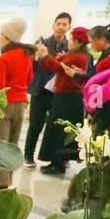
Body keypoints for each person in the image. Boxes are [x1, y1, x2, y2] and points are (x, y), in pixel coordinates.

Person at [0, 18, 34, 191]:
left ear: (8, 37)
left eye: (0, 34)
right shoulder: (27, 56)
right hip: (20, 104)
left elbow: (0, 86)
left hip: (3, 104)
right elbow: (30, 79)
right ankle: (8, 179)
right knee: (11, 144)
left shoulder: (4, 58)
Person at [36, 27, 93, 176]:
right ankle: (56, 161)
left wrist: (46, 55)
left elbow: (58, 67)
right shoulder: (75, 54)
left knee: (60, 131)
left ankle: (58, 163)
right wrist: (48, 57)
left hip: (69, 98)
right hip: (64, 96)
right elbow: (56, 64)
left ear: (78, 42)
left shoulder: (79, 57)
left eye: (72, 39)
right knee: (57, 129)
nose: (68, 41)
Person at [23, 12, 71, 168]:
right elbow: (31, 63)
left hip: (59, 92)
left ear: (69, 27)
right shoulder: (42, 42)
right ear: (53, 25)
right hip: (40, 90)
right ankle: (28, 156)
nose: (61, 27)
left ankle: (57, 159)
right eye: (59, 24)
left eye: (65, 24)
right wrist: (37, 54)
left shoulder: (70, 46)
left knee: (57, 126)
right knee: (35, 124)